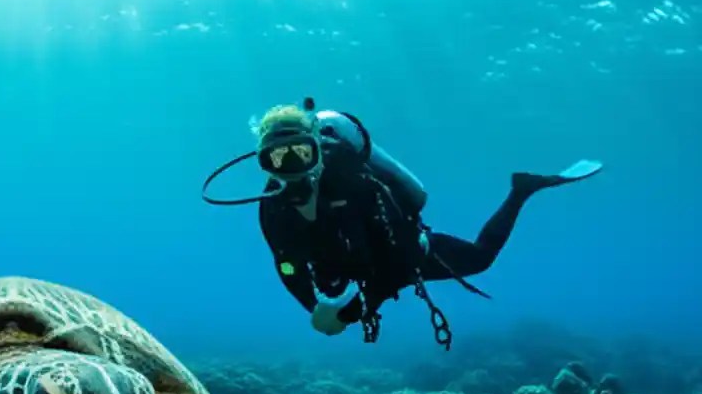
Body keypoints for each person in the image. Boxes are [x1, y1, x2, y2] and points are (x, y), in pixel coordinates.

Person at [200, 97, 602, 350]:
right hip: (344, 265)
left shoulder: (356, 184)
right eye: (276, 160)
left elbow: (394, 268)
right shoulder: (272, 207)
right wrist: (312, 306)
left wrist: (346, 315)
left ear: (318, 152)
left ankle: (521, 191)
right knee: (330, 279)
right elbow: (286, 263)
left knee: (481, 259)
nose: (290, 170)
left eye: (299, 154)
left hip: (402, 253)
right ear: (263, 162)